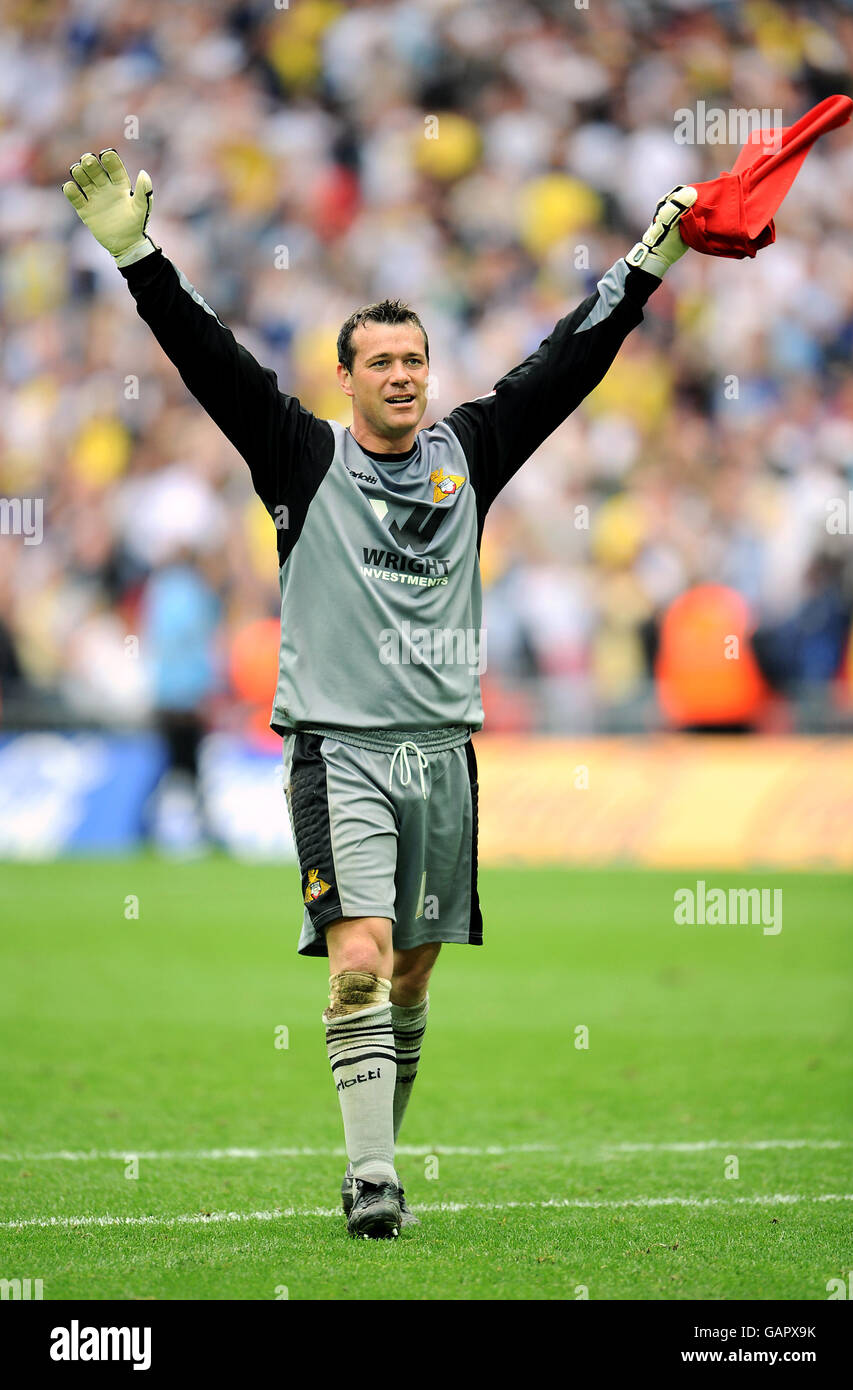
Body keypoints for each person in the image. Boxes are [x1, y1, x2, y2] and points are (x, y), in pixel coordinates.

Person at [63, 149, 696, 1239]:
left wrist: (647, 261)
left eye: (415, 359)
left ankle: (376, 1150)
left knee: (406, 974)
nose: (402, 375)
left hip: (442, 757)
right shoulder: (299, 459)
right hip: (339, 749)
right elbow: (207, 359)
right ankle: (373, 1181)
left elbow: (564, 365)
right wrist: (135, 252)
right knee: (356, 954)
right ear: (344, 378)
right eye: (380, 362)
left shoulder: (471, 453)